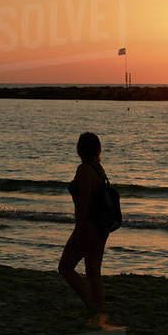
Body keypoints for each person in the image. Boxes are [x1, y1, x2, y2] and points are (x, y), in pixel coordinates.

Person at [58, 131, 110, 312]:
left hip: (87, 226)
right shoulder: (99, 169)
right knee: (93, 271)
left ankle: (90, 303)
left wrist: (80, 229)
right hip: (100, 228)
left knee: (65, 267)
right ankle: (99, 307)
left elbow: (85, 203)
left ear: (80, 149)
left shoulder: (84, 170)